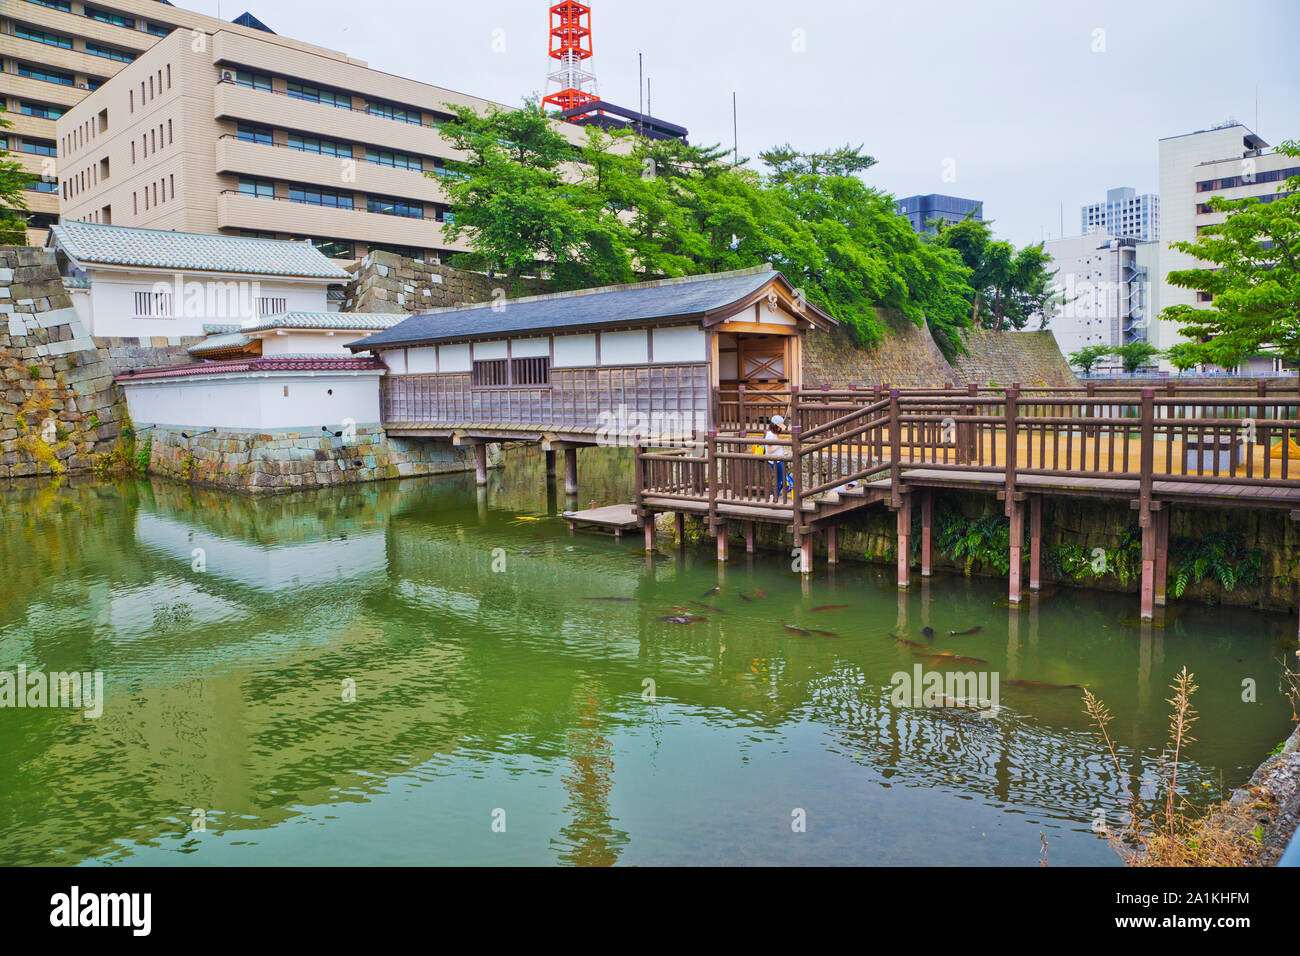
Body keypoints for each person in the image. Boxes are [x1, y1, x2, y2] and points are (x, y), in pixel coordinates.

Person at [764, 415, 792, 496]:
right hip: (775, 460)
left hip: (778, 459)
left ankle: (775, 494)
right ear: (774, 426)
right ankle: (775, 496)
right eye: (779, 426)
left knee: (780, 478)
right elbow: (769, 450)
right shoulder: (770, 435)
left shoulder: (773, 434)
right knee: (779, 479)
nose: (780, 429)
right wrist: (781, 444)